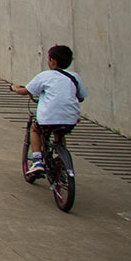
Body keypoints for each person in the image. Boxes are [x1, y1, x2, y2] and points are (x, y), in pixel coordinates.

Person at [12, 44, 87, 178]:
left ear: (53, 61)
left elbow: (26, 91)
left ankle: (37, 161)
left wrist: (14, 88)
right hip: (71, 118)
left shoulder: (46, 75)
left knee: (35, 129)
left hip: (49, 118)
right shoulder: (75, 77)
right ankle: (61, 160)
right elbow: (80, 97)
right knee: (59, 133)